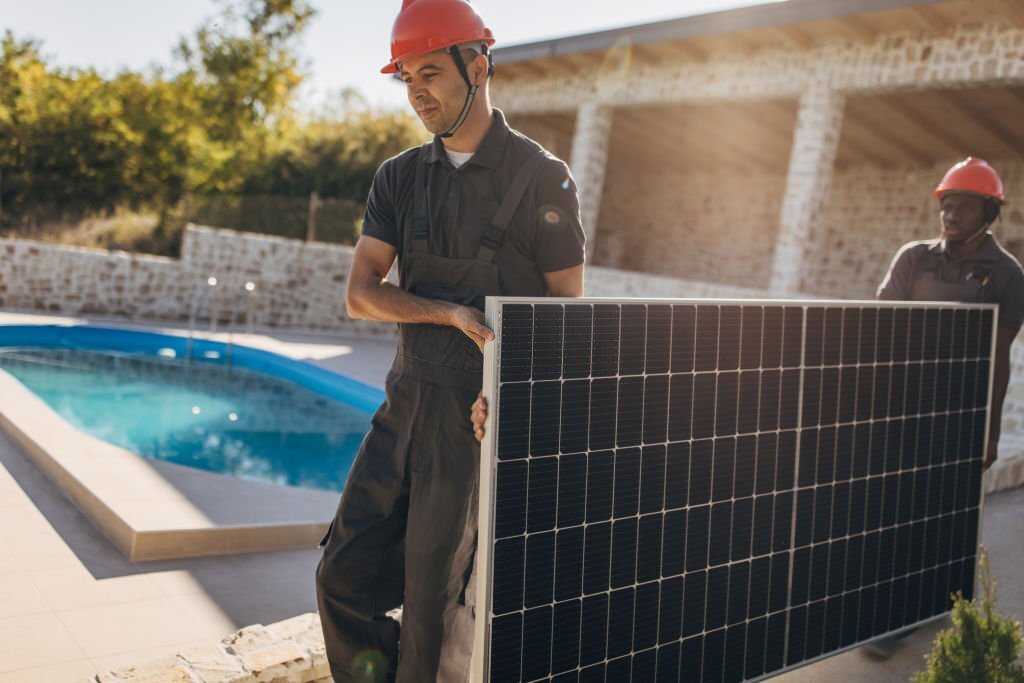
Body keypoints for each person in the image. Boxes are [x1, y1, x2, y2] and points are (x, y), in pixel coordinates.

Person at [314, 0, 586, 680]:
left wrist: (513, 397)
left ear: (478, 64)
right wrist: (449, 313)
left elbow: (568, 317)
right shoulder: (398, 178)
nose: (417, 93)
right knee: (339, 577)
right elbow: (361, 291)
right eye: (406, 78)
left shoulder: (542, 178)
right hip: (401, 405)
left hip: (474, 425)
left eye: (430, 72)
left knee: (430, 616)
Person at [867, 156, 1024, 659]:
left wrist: (990, 431)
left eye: (962, 207)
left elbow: (1000, 358)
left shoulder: (1007, 275)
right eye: (946, 205)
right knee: (891, 511)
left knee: (936, 515)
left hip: (959, 414)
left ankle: (904, 614)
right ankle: (894, 602)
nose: (950, 215)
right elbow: (878, 326)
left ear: (989, 212)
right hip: (902, 408)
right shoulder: (914, 258)